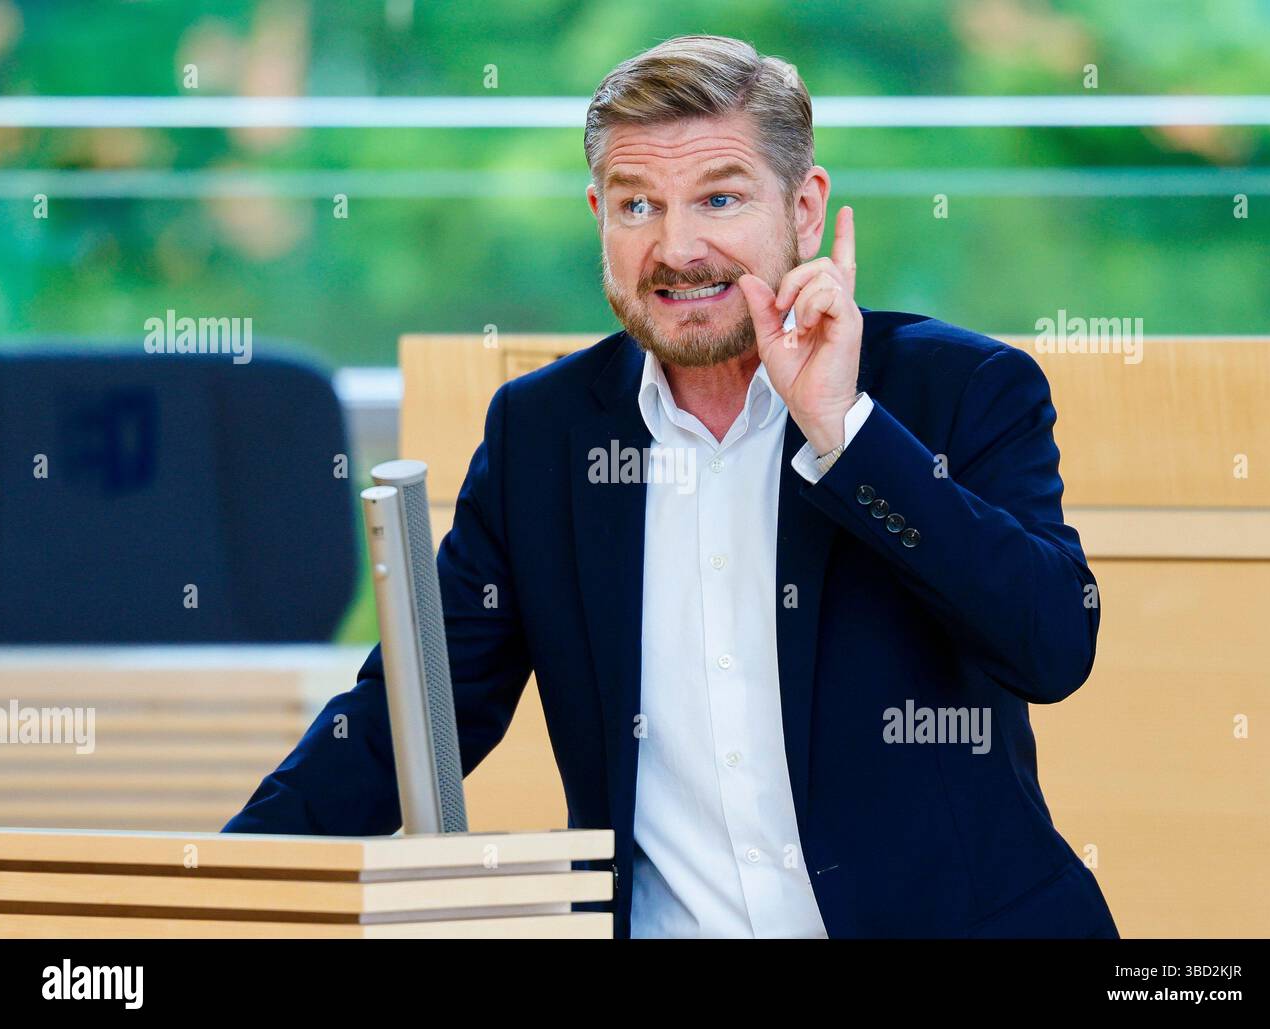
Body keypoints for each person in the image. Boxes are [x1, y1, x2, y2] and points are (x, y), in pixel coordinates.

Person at [225, 34, 1118, 940]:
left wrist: (844, 433)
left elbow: (1051, 643)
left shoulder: (958, 391)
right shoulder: (542, 435)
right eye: (636, 204)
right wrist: (207, 895)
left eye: (720, 198)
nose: (676, 245)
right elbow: (406, 720)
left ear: (805, 211)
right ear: (597, 217)